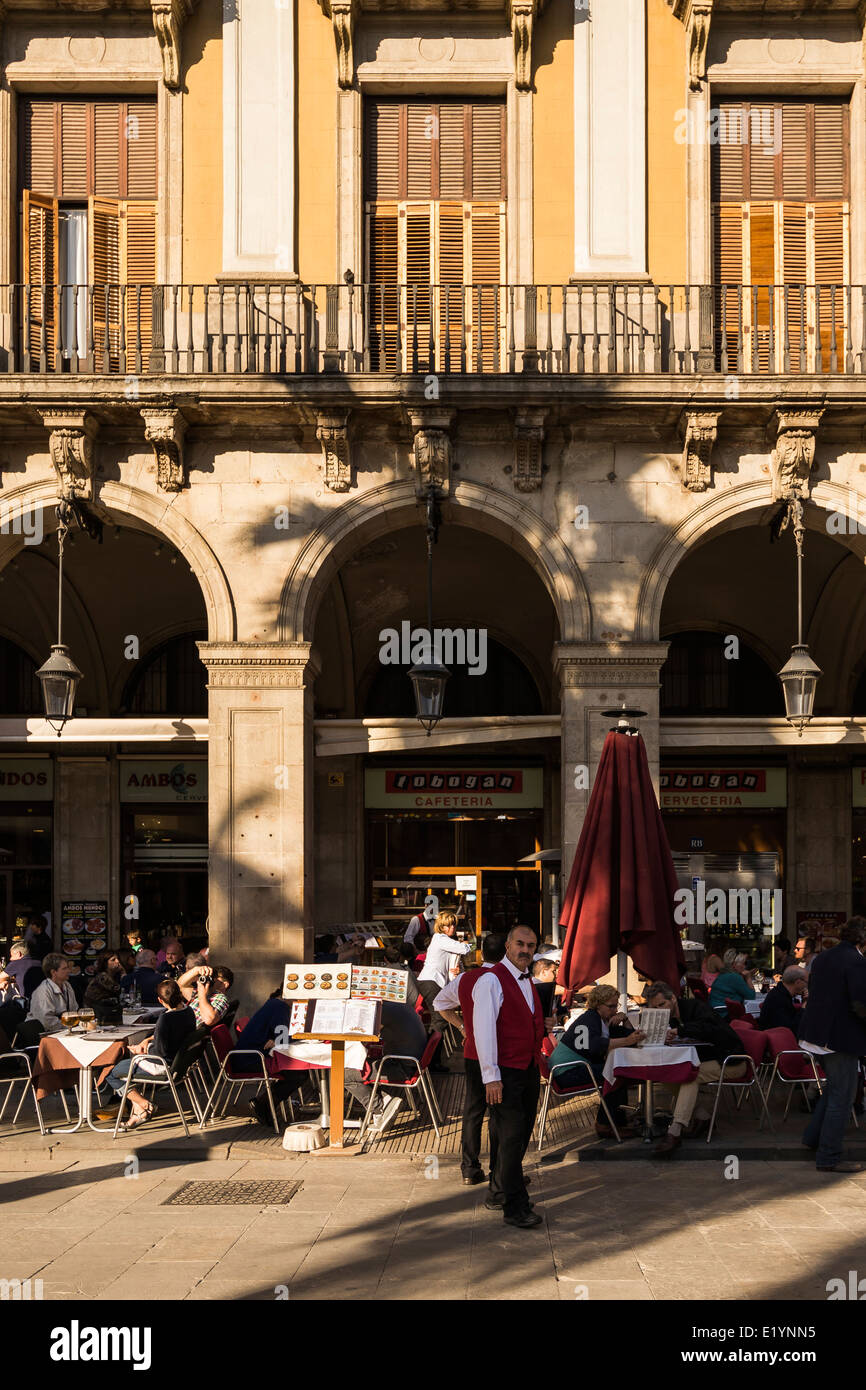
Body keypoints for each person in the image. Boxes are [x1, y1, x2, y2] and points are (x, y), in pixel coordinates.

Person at [472, 924, 546, 1229]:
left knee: (515, 1138)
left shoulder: (527, 980)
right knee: (513, 1139)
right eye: (520, 943)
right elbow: (484, 1030)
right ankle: (515, 1207)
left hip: (527, 1069)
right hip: (505, 1073)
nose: (525, 950)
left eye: (530, 946)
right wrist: (491, 1077)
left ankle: (500, 1191)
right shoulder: (491, 979)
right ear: (507, 944)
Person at [433, 932, 507, 1185]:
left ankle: (469, 1166)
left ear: (481, 953)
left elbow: (440, 1003)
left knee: (474, 1110)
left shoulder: (467, 977)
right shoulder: (503, 979)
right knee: (499, 1113)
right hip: (500, 1053)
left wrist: (463, 1027)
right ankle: (499, 1168)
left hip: (473, 1051)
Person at [642, 980, 747, 1156]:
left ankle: (674, 1132)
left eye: (662, 1004)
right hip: (711, 1060)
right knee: (667, 1075)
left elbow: (709, 1029)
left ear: (673, 999)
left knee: (690, 1076)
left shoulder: (696, 1007)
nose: (660, 1010)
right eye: (656, 1007)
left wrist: (681, 1032)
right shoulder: (673, 1018)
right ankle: (703, 1117)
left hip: (732, 1061)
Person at [798, 917, 866, 1173]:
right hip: (838, 1037)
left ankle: (812, 1139)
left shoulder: (824, 957)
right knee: (843, 1097)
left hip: (814, 1034)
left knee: (834, 1091)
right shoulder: (857, 961)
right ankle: (828, 1157)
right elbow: (860, 1003)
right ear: (862, 941)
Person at [547, 984, 643, 1139]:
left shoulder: (602, 1020)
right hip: (566, 1072)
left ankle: (617, 1118)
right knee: (616, 1073)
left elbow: (631, 1036)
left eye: (616, 1005)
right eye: (611, 1006)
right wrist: (626, 1040)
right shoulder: (590, 1019)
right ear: (598, 1004)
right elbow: (594, 1046)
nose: (614, 1010)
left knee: (618, 1070)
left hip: (575, 1068)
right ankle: (604, 1125)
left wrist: (624, 1019)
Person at [101, 978, 198, 1129]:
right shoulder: (189, 1011)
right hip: (180, 1063)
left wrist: (140, 1050)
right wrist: (148, 1041)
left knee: (110, 1073)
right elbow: (171, 1036)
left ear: (160, 1000)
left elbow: (159, 1052)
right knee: (125, 1067)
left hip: (163, 1065)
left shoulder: (165, 1019)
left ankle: (143, 1104)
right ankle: (138, 1111)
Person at [345, 1000, 429, 1138]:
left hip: (402, 1067)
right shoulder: (398, 1005)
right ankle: (385, 1100)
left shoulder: (381, 1011)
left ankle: (379, 1109)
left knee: (343, 1074)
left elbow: (366, 1034)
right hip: (412, 1063)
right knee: (358, 1065)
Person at [26, 953, 79, 1034]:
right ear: (53, 972)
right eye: (64, 968)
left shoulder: (67, 986)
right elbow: (46, 1021)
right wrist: (69, 1027)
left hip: (63, 1031)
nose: (69, 971)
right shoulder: (43, 991)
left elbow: (73, 1010)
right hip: (42, 1035)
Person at [757, 966, 808, 1036]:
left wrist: (803, 1001)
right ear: (798, 982)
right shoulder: (778, 998)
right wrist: (804, 1006)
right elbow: (790, 1030)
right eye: (806, 982)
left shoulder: (780, 993)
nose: (806, 985)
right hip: (775, 1043)